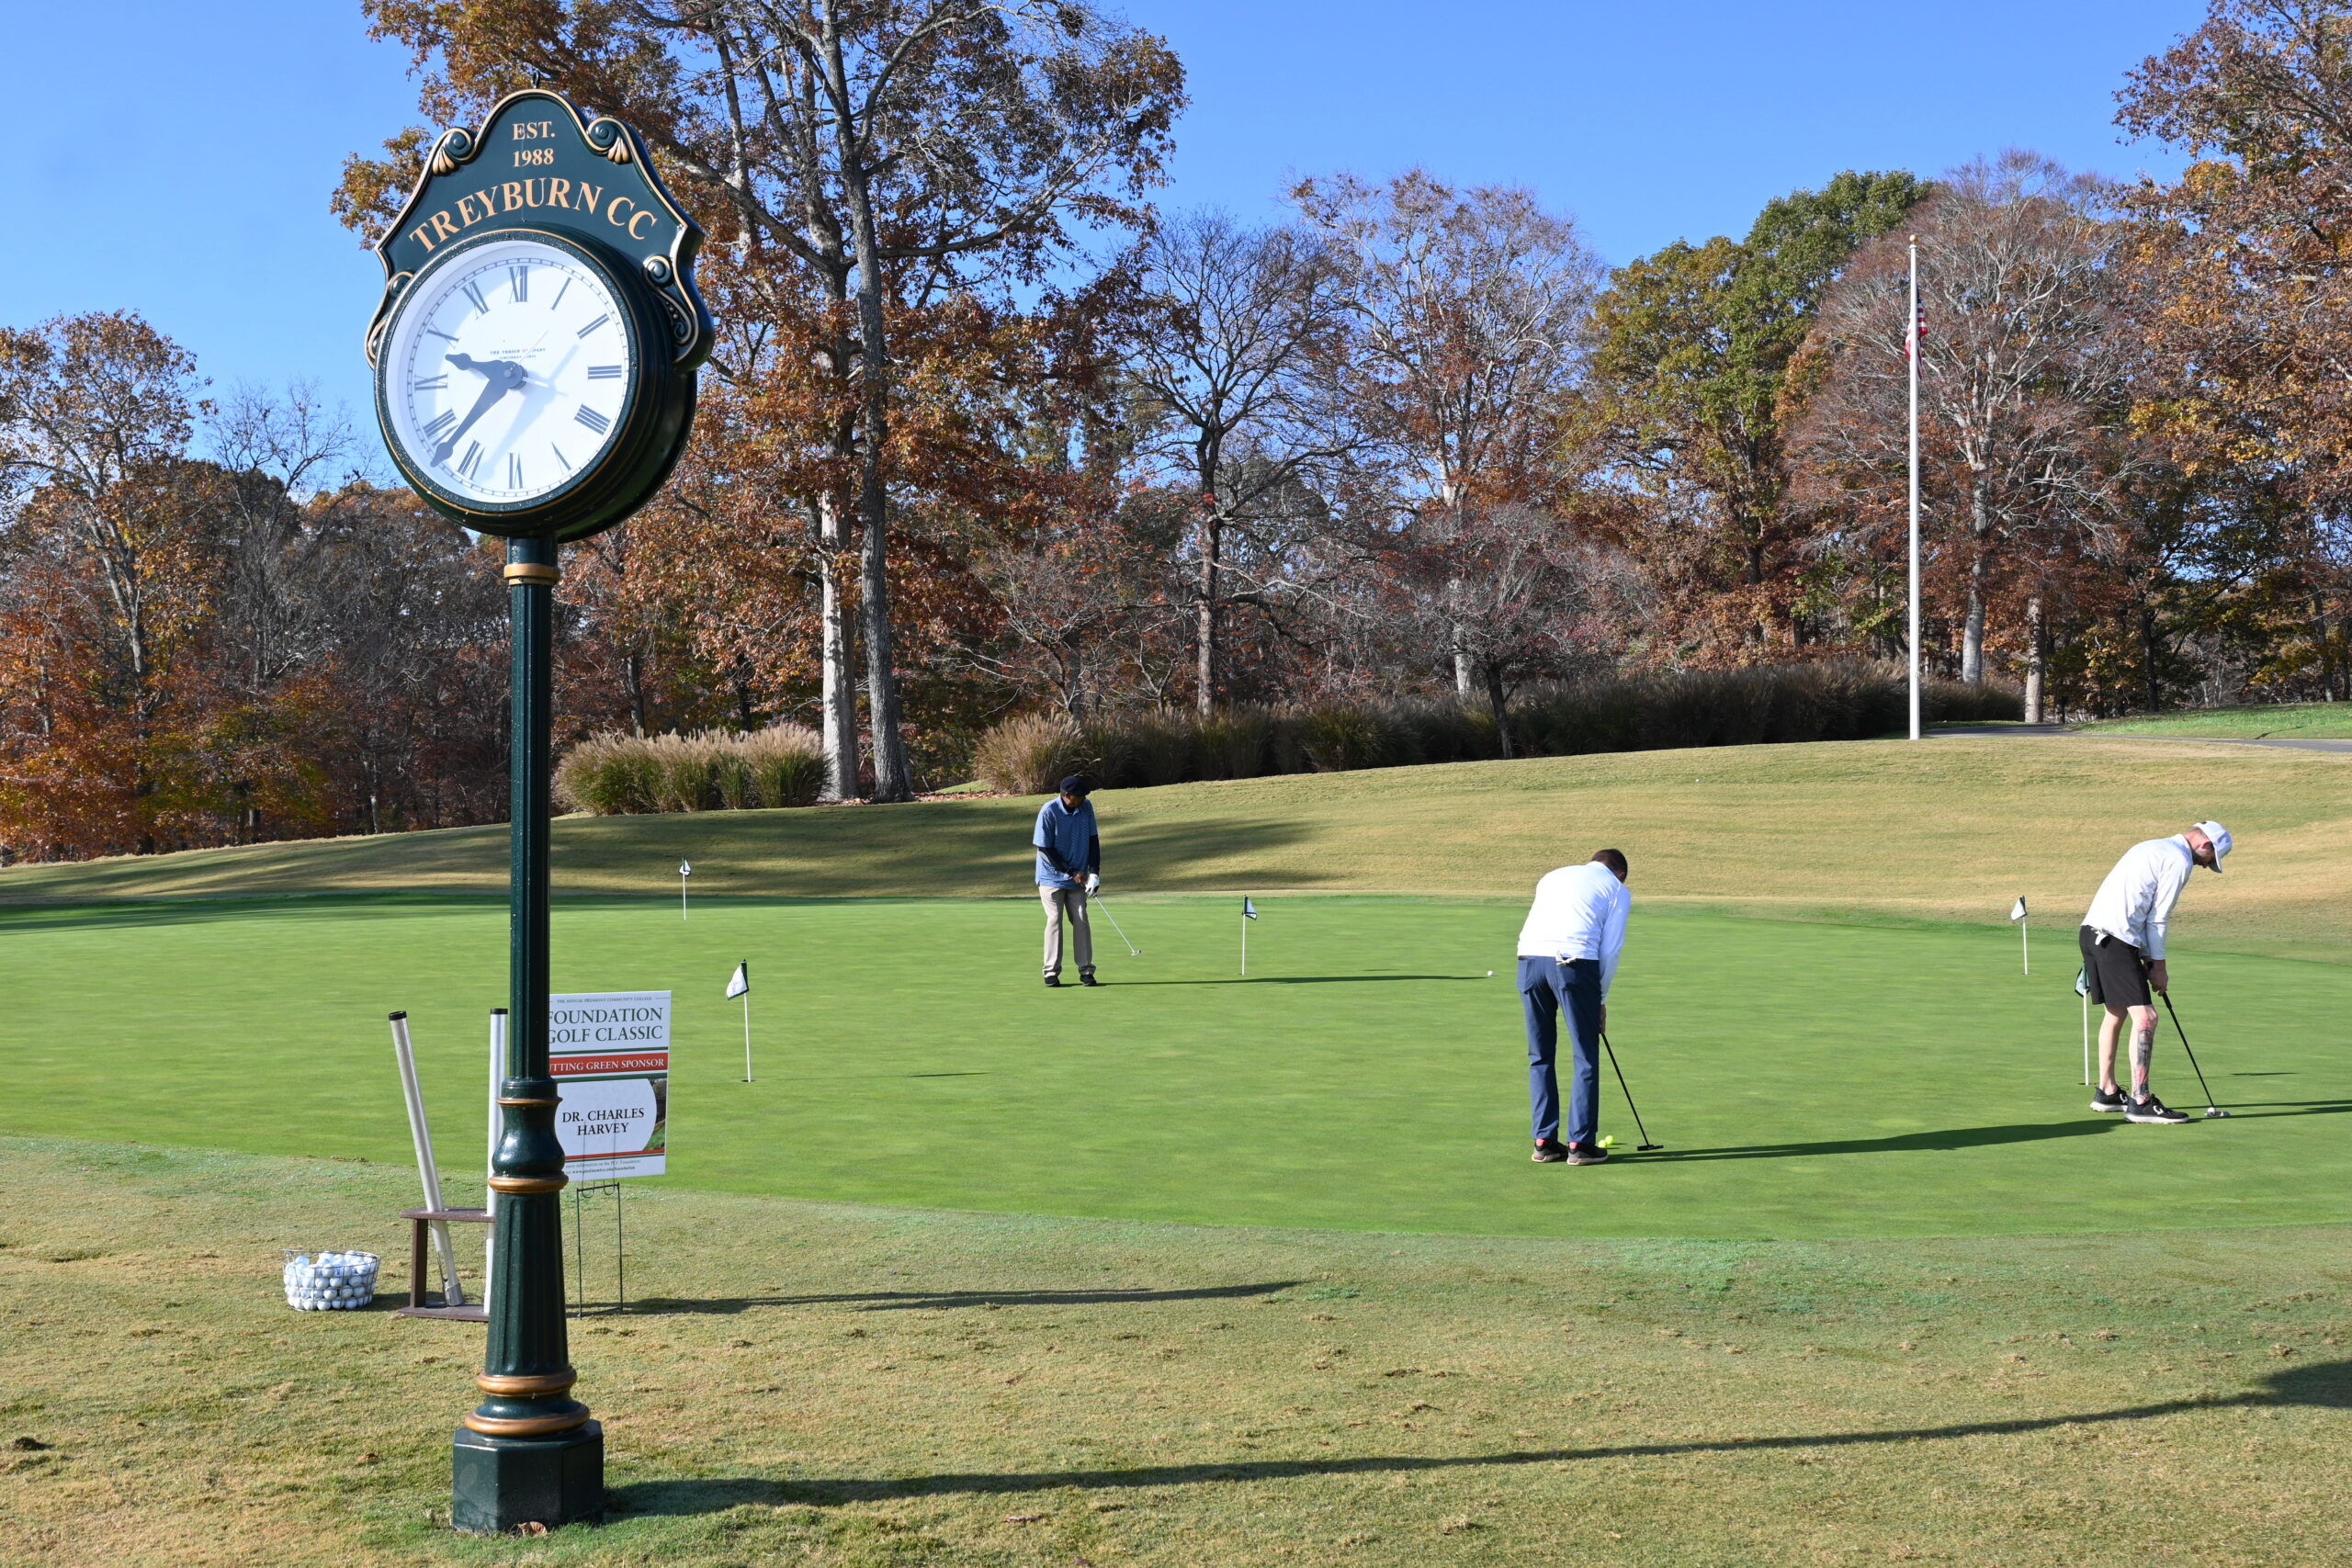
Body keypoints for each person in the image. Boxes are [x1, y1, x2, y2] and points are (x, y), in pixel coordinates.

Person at [2080, 820, 2233, 1124]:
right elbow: (2158, 918)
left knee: (2116, 1013)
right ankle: (2141, 1101)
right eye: (2208, 861)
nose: (2205, 867)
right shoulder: (2178, 860)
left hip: (2092, 933)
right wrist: (2159, 967)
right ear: (2205, 845)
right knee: (2147, 1017)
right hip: (2117, 940)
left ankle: (2108, 1092)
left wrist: (2147, 957)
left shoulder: (2150, 845)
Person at [1516, 850, 1631, 1165]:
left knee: (1539, 1054)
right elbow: (1610, 949)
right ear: (1620, 873)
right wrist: (1601, 1000)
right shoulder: (1616, 889)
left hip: (1528, 962)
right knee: (1585, 1056)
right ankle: (1580, 1144)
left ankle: (1544, 1141)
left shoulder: (1553, 875)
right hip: (1574, 964)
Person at [1034, 774, 1102, 988]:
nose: (1083, 799)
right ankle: (1051, 972)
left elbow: (1093, 840)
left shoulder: (1086, 807)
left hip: (1078, 878)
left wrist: (1094, 872)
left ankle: (1086, 970)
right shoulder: (1049, 811)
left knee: (1081, 919)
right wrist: (1071, 870)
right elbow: (1045, 849)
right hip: (1051, 877)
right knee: (1055, 920)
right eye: (1079, 796)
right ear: (1067, 796)